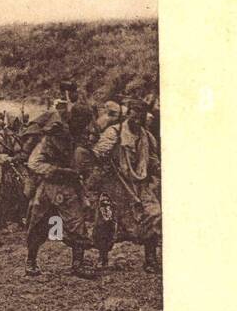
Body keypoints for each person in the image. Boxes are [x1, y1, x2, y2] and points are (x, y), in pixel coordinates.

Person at [92, 97, 162, 272]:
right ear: (128, 113)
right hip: (115, 185)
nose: (137, 117)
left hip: (139, 184)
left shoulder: (147, 137)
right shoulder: (114, 133)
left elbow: (152, 161)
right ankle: (102, 257)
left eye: (141, 114)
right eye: (134, 112)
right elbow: (97, 155)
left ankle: (151, 259)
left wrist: (159, 169)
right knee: (106, 220)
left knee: (154, 213)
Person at [25, 113, 94, 278]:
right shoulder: (46, 143)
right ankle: (31, 261)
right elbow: (33, 163)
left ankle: (78, 264)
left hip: (69, 188)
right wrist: (57, 170)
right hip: (48, 188)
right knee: (38, 223)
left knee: (77, 222)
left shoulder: (77, 142)